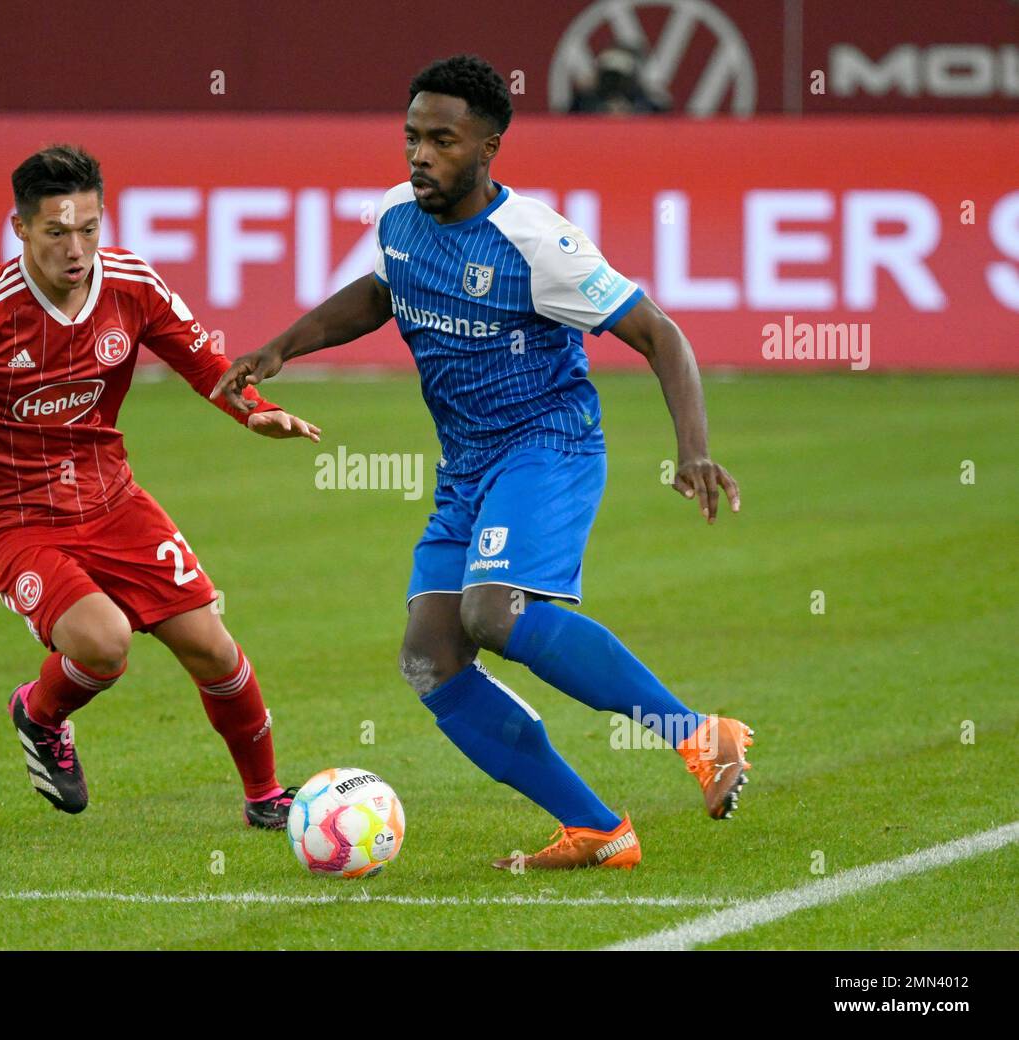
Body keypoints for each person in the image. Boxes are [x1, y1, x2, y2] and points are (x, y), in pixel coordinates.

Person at [212, 55, 753, 871]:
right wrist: (283, 344)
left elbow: (660, 334)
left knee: (492, 612)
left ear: (490, 146)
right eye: (411, 137)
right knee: (430, 655)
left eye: (442, 140)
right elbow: (383, 292)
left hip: (549, 445)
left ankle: (699, 736)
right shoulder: (399, 215)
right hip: (467, 464)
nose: (419, 156)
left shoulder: (538, 242)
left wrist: (694, 451)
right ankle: (598, 830)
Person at [0, 144, 319, 824]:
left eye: (88, 229)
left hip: (113, 500)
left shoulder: (131, 286)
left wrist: (256, 413)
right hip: (10, 519)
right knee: (104, 643)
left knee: (213, 647)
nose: (75, 249)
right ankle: (40, 713)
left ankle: (265, 800)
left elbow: (206, 363)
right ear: (21, 229)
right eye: (56, 232)